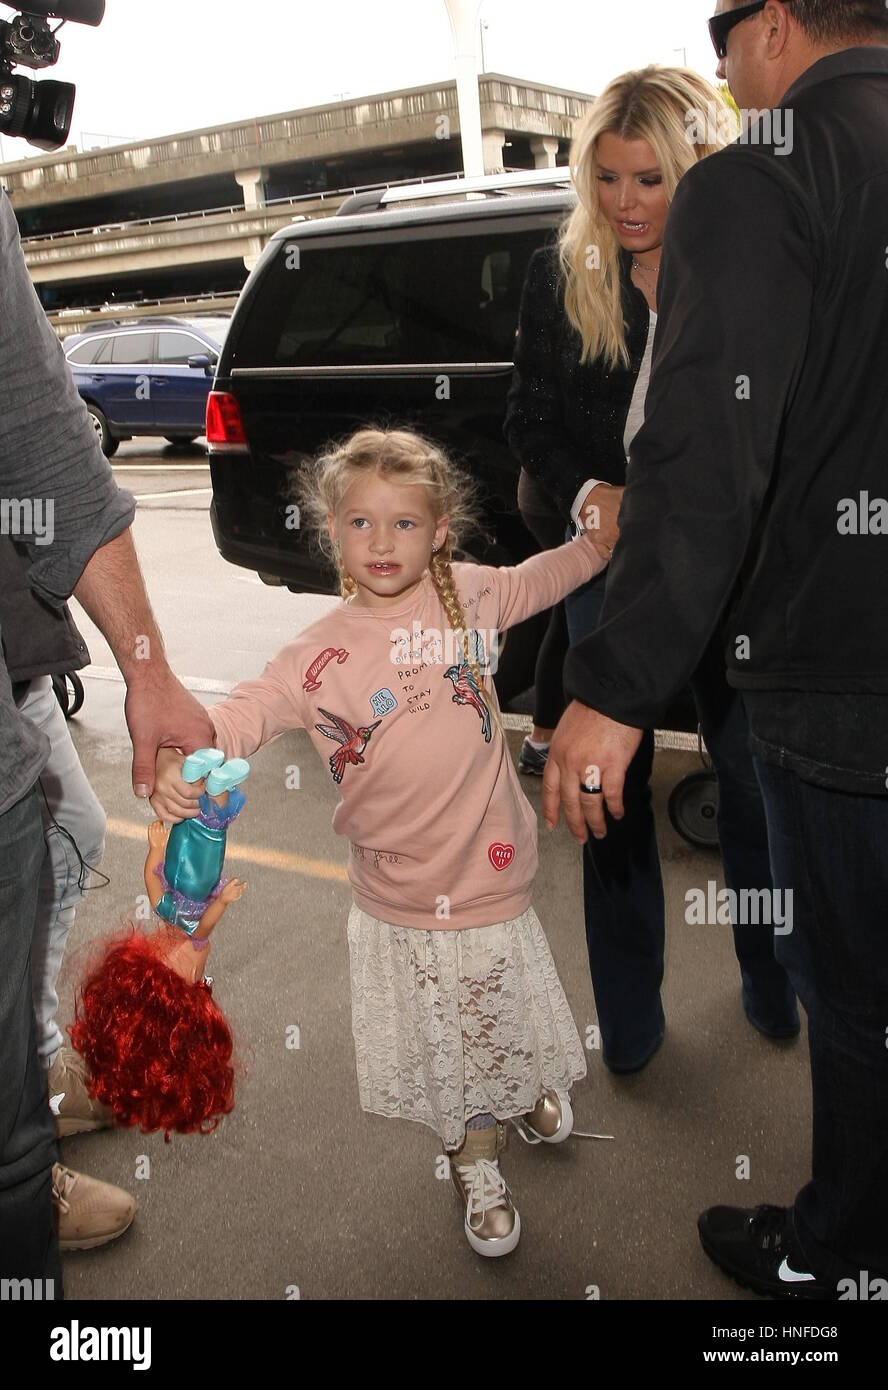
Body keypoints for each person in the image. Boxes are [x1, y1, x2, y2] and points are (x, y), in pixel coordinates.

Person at [543, 0, 888, 1298]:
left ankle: (844, 1255)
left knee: (859, 1001)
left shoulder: (767, 169)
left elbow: (703, 454)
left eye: (725, 26)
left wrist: (614, 686)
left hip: (841, 681)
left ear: (776, 26)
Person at [151, 426, 610, 1258]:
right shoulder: (317, 655)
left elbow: (545, 577)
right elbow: (245, 710)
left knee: (497, 997)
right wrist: (193, 750)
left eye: (405, 524)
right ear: (332, 532)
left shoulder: (470, 595)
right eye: (361, 523)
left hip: (492, 864)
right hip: (402, 890)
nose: (382, 541)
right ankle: (476, 1154)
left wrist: (598, 537)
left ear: (439, 531)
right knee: (452, 1029)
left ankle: (519, 1085)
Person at [505, 64, 799, 1073]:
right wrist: (593, 495)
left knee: (756, 791)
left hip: (728, 577)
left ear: (695, 173)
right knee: (603, 790)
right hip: (606, 573)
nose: (626, 204)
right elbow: (528, 418)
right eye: (608, 178)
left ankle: (772, 979)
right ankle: (627, 1022)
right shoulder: (563, 274)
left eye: (651, 179)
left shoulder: (739, 266)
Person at [0, 186, 215, 1285]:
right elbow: (36, 429)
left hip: (14, 646)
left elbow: (38, 439)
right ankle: (16, 1154)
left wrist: (148, 669)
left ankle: (27, 1079)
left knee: (65, 836)